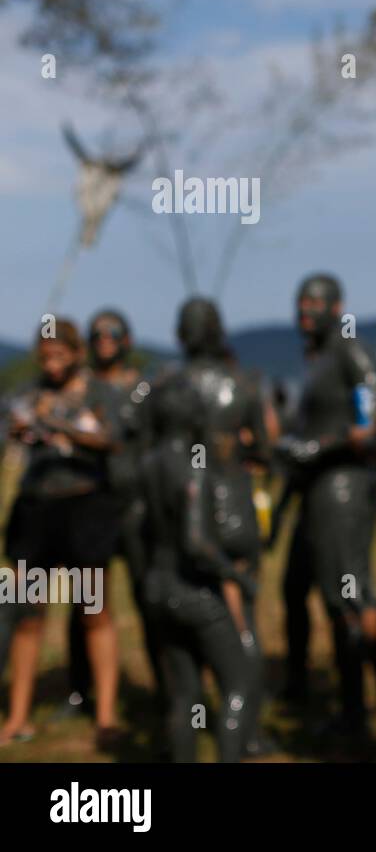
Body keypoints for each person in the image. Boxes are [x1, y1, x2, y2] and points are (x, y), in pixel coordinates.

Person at [151, 298, 273, 755]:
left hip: (181, 523)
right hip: (234, 512)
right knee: (244, 627)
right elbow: (263, 449)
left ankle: (220, 718)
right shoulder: (243, 383)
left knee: (193, 649)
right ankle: (248, 727)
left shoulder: (165, 386)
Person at [278, 274, 376, 733]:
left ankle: (361, 707)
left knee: (346, 594)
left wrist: (320, 447)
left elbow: (373, 422)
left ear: (336, 306)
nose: (305, 311)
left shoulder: (351, 351)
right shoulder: (316, 358)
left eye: (314, 303)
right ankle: (300, 685)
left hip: (343, 487)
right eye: (300, 303)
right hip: (313, 490)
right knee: (293, 588)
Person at [1, 318, 121, 748]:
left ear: (75, 354)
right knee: (28, 616)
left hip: (84, 511)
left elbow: (113, 439)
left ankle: (105, 715)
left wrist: (62, 426)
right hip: (37, 513)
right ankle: (17, 717)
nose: (51, 365)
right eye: (45, 357)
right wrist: (22, 431)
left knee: (93, 610)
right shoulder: (30, 394)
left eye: (59, 356)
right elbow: (11, 433)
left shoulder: (95, 392)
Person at [139, 370, 254, 761]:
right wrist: (238, 576)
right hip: (192, 593)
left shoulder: (150, 462)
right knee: (239, 684)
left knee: (185, 693)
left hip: (157, 588)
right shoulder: (194, 466)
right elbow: (197, 543)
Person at [62, 309, 158, 720]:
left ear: (126, 340)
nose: (104, 340)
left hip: (134, 504)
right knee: (86, 603)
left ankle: (166, 689)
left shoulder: (142, 388)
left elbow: (134, 442)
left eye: (112, 334)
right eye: (96, 334)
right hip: (91, 507)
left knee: (149, 597)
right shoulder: (79, 388)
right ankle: (80, 693)